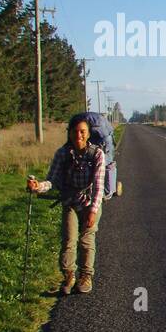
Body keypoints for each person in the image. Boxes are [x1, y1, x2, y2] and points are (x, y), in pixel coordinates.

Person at [26, 118, 106, 295]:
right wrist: (38, 186)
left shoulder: (97, 154)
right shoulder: (62, 153)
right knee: (69, 239)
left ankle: (86, 277)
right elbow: (52, 180)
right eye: (75, 131)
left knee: (86, 240)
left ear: (88, 134)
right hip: (70, 201)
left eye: (82, 131)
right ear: (69, 132)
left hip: (90, 202)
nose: (78, 135)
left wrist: (93, 211)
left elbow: (99, 186)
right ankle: (69, 276)